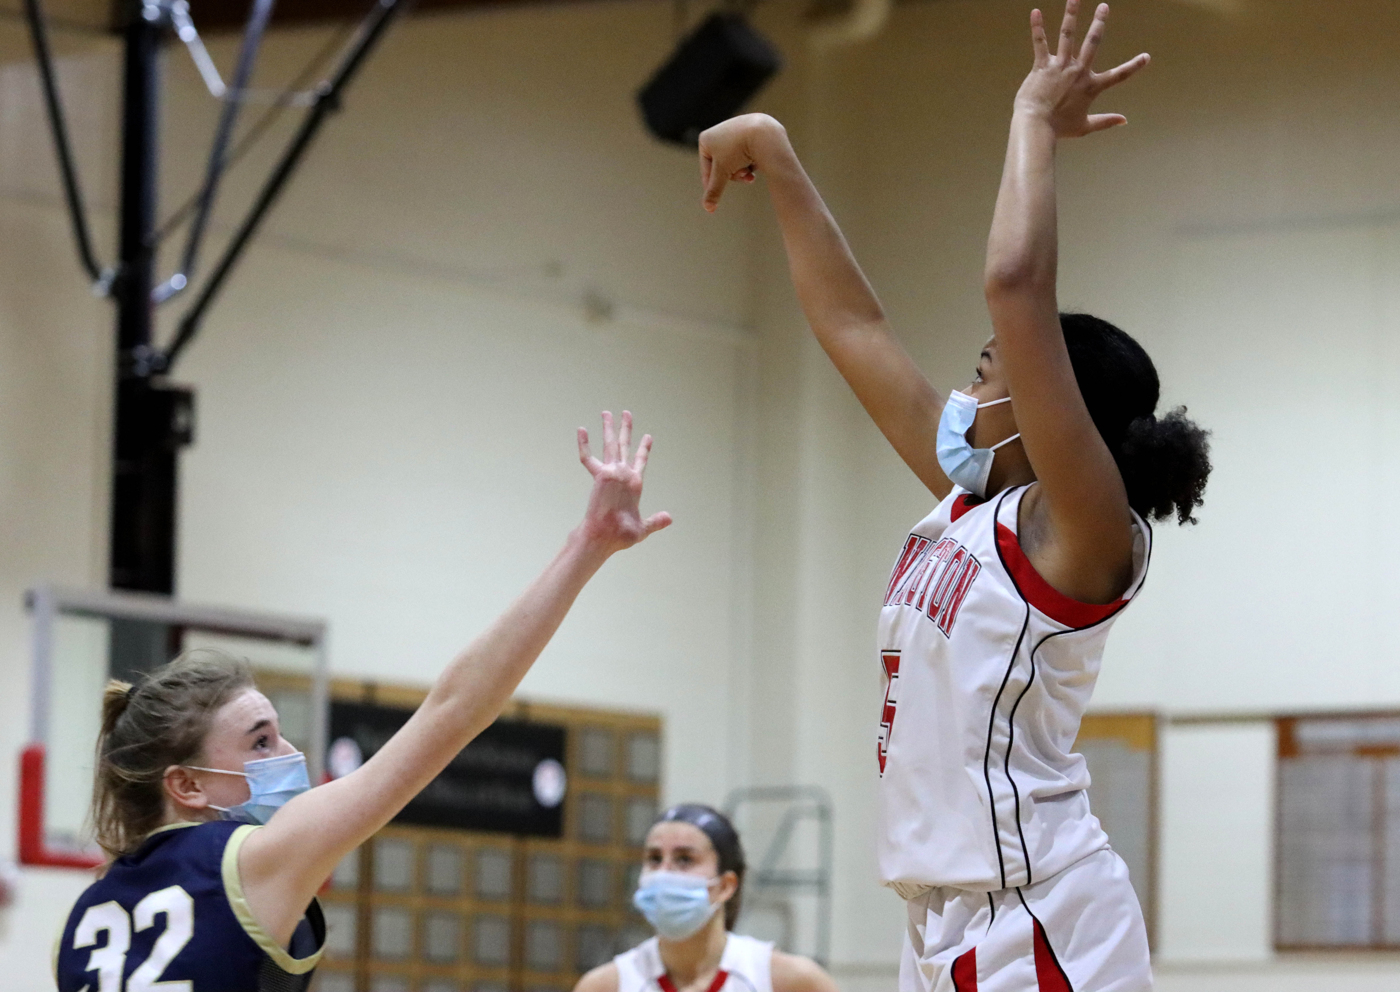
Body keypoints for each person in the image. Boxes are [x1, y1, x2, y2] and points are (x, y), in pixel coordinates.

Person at [696, 3, 1210, 990]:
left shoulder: (1087, 535)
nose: (963, 388)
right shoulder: (966, 505)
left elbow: (1013, 282)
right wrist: (777, 157)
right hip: (933, 920)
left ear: (1048, 407)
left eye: (985, 372)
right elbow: (851, 324)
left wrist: (1029, 117)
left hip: (1040, 913)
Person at [56, 411, 671, 992]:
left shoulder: (85, 917)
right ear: (187, 784)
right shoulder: (253, 859)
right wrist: (586, 545)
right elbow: (452, 711)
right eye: (260, 741)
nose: (290, 754)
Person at [575, 804, 838, 992]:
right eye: (654, 859)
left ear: (725, 885)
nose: (664, 872)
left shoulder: (790, 981)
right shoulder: (604, 986)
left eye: (684, 859)